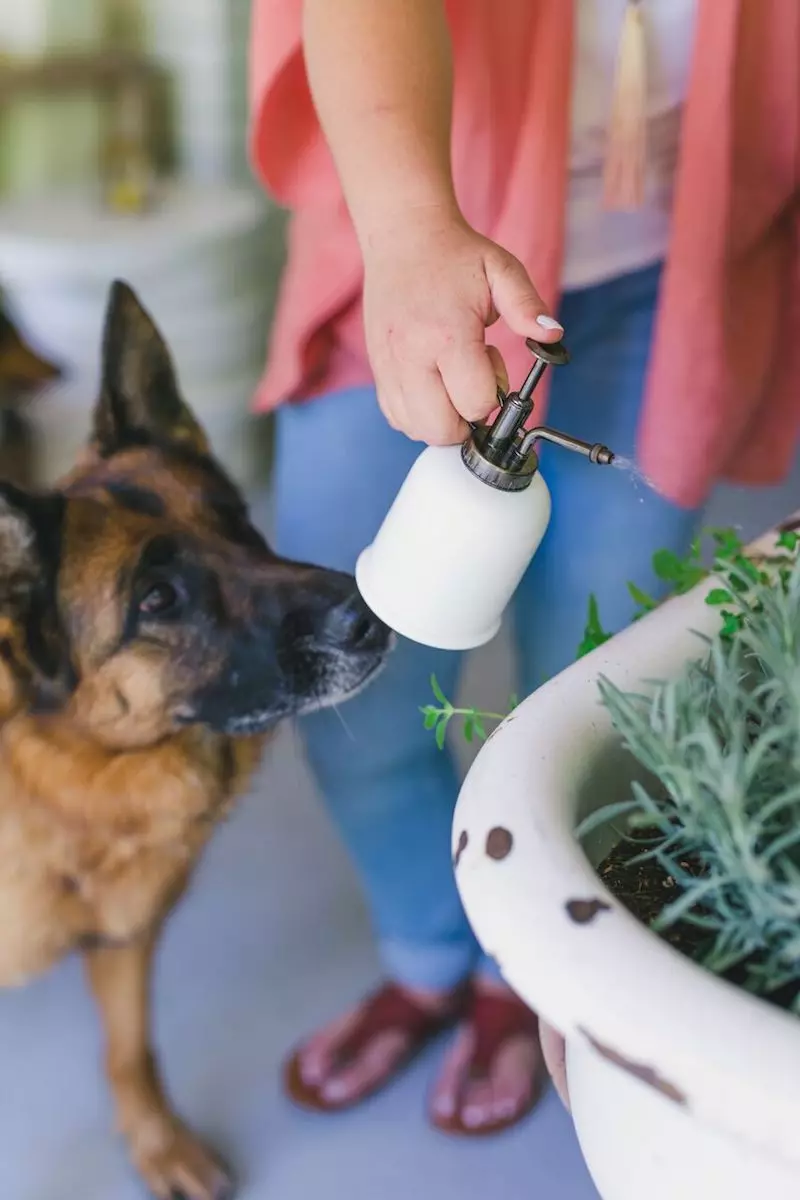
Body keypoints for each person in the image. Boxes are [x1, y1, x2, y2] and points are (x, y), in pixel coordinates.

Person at [249, 0, 799, 1135]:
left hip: (674, 272)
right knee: (350, 676)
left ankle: (516, 973)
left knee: (588, 703)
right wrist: (407, 236)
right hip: (414, 244)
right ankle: (424, 956)